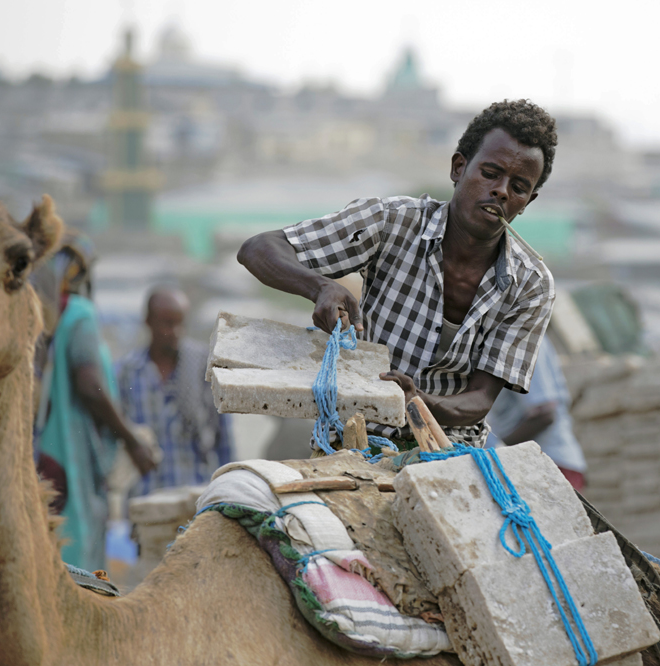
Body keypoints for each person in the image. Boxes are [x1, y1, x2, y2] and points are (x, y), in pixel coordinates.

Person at [238, 100, 558, 447]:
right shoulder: (391, 221)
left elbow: (480, 399)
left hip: (449, 450)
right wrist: (319, 287)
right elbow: (257, 249)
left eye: (519, 187)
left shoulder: (532, 284)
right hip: (356, 436)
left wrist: (414, 399)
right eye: (490, 174)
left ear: (529, 201)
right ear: (458, 167)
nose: (501, 191)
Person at [35, 233, 156, 570]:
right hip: (70, 453)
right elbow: (91, 387)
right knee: (75, 544)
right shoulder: (79, 314)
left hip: (42, 452)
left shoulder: (43, 316)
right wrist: (129, 437)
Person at [117, 287, 234, 495]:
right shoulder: (129, 372)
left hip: (195, 493)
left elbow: (223, 437)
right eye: (168, 324)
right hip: (145, 497)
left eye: (180, 323)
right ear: (149, 322)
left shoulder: (202, 367)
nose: (176, 332)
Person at [484, 335, 587, 489]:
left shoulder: (521, 341)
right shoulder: (496, 343)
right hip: (534, 465)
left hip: (549, 464)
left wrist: (497, 450)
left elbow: (545, 415)